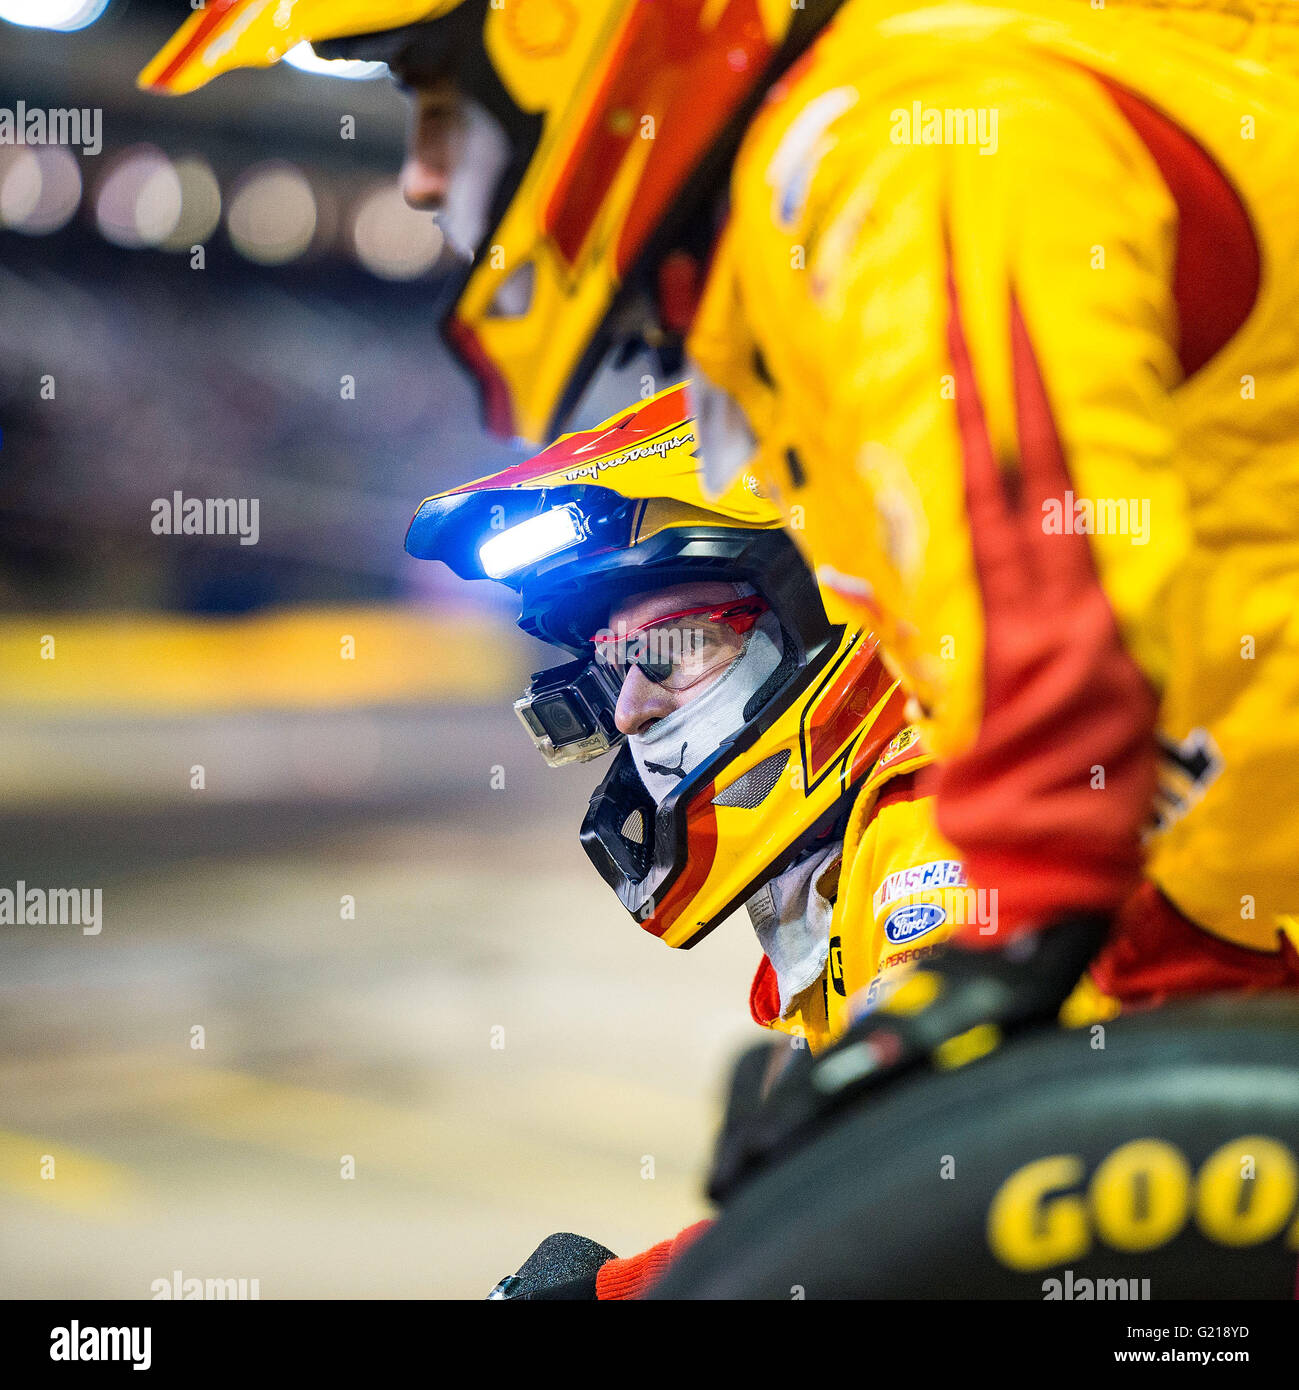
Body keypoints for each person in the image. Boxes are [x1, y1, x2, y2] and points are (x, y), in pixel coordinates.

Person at [141, 0, 1299, 1087]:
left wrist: (1011, 930)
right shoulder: (856, 166)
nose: (421, 173)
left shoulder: (914, 125)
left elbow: (1053, 556)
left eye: (432, 92)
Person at [405, 381, 972, 1295]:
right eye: (610, 665)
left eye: (668, 652)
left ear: (827, 617)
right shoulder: (844, 860)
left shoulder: (934, 834)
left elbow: (933, 1204)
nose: (628, 712)